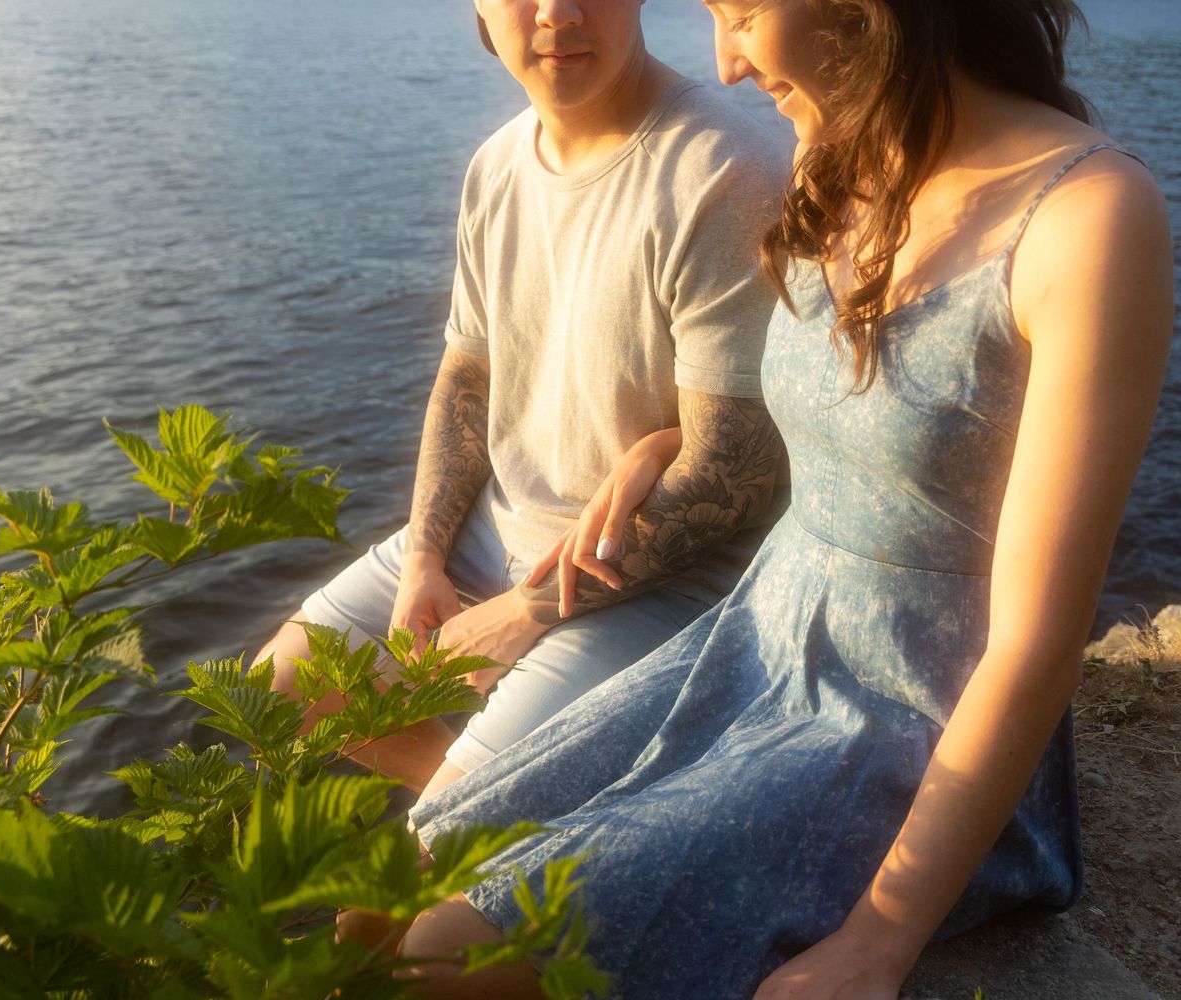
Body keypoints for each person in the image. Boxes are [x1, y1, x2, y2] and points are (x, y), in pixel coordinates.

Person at [394, 0, 1173, 996]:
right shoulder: (838, 158)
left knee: (450, 953)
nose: (723, 64)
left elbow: (1037, 644)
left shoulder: (1086, 219)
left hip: (905, 719)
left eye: (744, 13)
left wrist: (877, 941)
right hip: (757, 643)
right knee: (420, 860)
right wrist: (668, 443)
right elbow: (864, 414)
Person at [254, 0, 789, 800]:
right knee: (279, 693)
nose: (557, 14)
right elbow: (468, 378)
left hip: (650, 576)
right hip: (493, 536)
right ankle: (477, 809)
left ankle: (471, 817)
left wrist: (524, 613)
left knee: (441, 852)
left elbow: (731, 474)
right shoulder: (499, 165)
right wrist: (425, 563)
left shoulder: (723, 168)